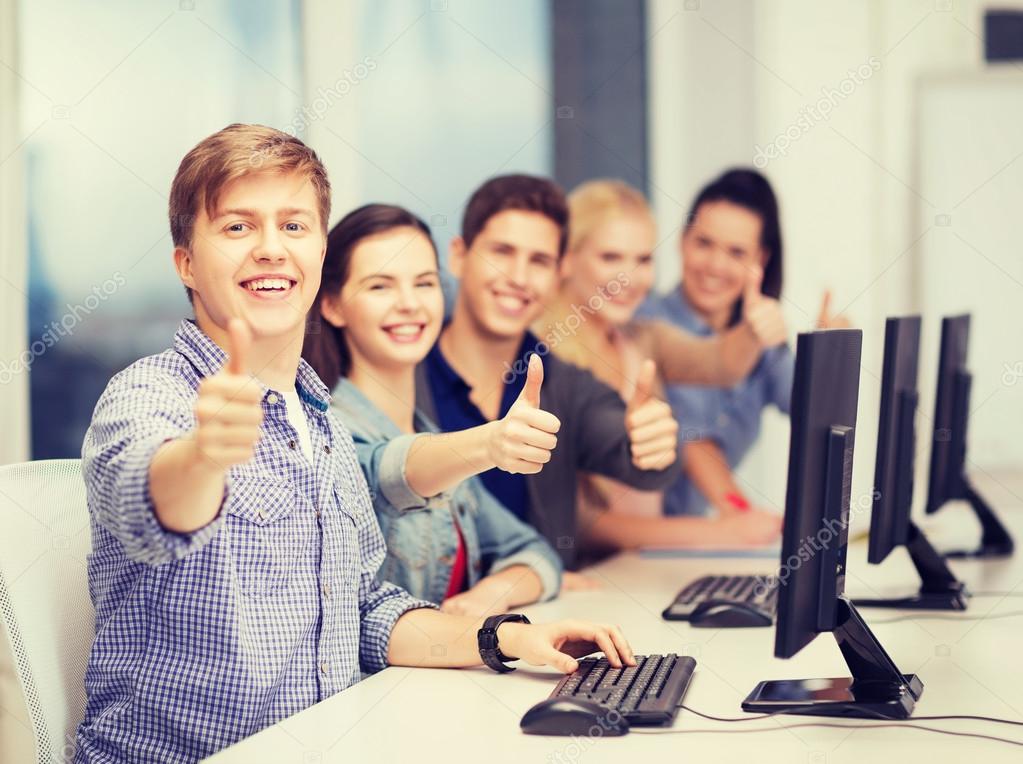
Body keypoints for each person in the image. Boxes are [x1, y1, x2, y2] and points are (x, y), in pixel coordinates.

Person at [75, 125, 633, 764]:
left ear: (318, 251)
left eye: (294, 225)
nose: (270, 249)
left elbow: (367, 610)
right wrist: (206, 455)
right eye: (237, 228)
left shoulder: (324, 425)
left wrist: (505, 638)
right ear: (185, 263)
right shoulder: (148, 395)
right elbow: (155, 504)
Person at [416, 173, 772, 572]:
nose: (518, 276)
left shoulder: (582, 372)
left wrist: (652, 445)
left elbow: (639, 450)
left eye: (538, 260)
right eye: (501, 251)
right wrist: (718, 533)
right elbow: (581, 523)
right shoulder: (417, 370)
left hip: (558, 593)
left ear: (556, 268)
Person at [303, 203, 563, 618]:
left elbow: (534, 552)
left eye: (424, 283)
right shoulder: (323, 431)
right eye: (380, 287)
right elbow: (389, 471)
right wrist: (491, 442)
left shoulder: (432, 434)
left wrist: (491, 593)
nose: (409, 304)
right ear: (332, 305)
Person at [536, 179, 784, 553]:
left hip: (637, 568)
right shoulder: (546, 357)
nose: (630, 278)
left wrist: (753, 330)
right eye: (610, 258)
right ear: (567, 259)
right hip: (585, 578)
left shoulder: (642, 336)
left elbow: (719, 364)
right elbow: (579, 521)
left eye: (643, 260)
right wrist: (720, 533)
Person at [638, 168, 849, 517]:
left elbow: (811, 411)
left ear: (760, 260)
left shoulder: (761, 338)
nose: (715, 265)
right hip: (635, 545)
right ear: (682, 241)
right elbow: (693, 441)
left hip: (694, 542)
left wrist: (830, 351)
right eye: (704, 243)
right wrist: (742, 516)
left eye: (736, 252)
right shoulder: (647, 323)